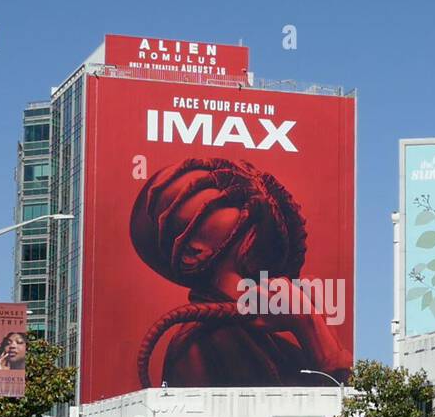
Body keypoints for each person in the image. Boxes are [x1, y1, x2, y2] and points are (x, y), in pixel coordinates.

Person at [129, 158, 350, 388]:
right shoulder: (196, 345)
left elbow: (351, 413)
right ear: (193, 253)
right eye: (214, 198)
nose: (245, 191)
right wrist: (309, 325)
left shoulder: (275, 334)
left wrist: (316, 327)